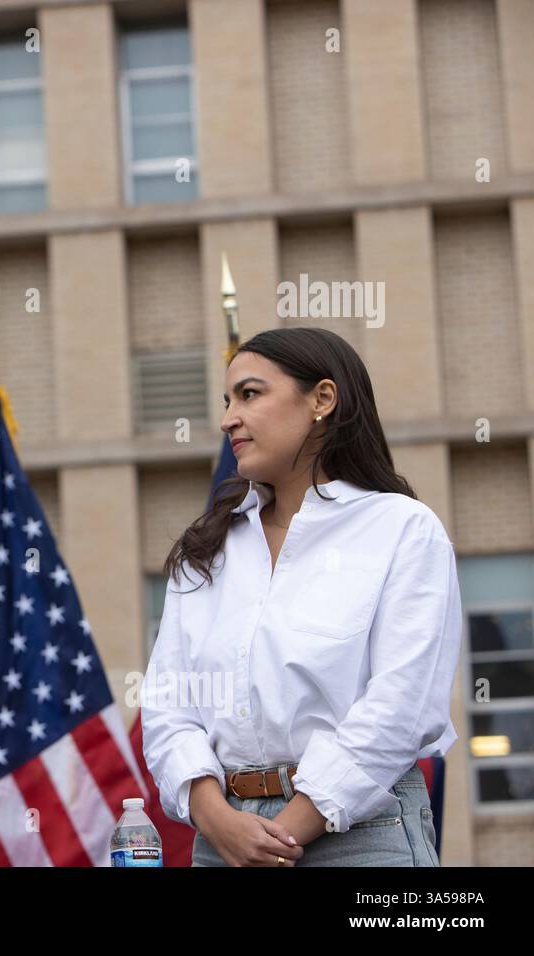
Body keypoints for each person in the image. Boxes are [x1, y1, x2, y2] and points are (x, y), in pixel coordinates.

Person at [141, 327, 461, 867]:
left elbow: (402, 707)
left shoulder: (402, 529)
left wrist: (280, 836)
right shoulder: (206, 548)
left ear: (322, 399)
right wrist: (218, 820)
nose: (228, 420)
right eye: (227, 402)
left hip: (361, 833)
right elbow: (168, 706)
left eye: (249, 394)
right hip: (223, 840)